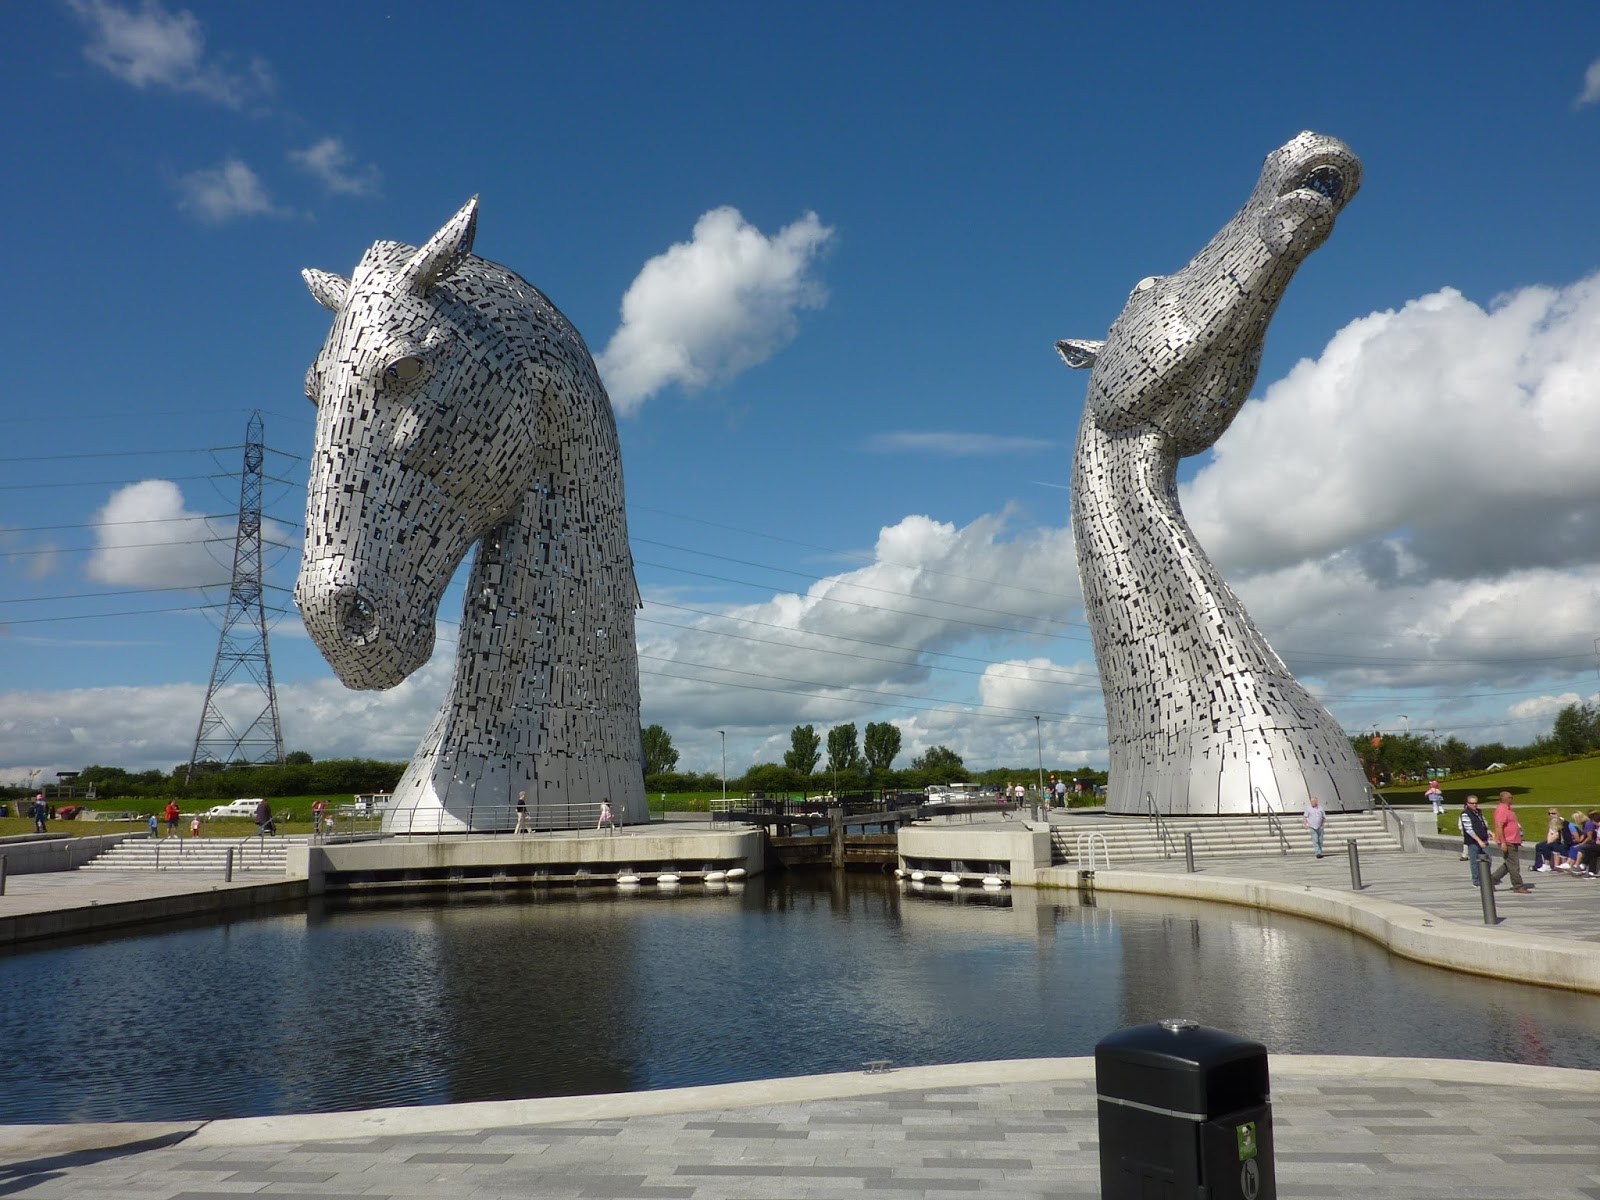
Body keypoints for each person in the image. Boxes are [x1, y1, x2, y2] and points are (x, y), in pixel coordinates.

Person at [1490, 791, 1530, 893]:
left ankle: (1491, 880)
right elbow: (1499, 826)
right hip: (1508, 841)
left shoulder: (1509, 810)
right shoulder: (1502, 810)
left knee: (1509, 864)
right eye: (1510, 797)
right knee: (1514, 865)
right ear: (1505, 799)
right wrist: (1503, 842)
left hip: (1513, 840)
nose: (1512, 799)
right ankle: (1518, 885)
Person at [1460, 794, 1492, 886]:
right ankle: (1476, 880)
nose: (1474, 805)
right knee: (1474, 862)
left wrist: (1488, 833)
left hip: (1484, 839)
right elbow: (1469, 830)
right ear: (1467, 803)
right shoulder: (1465, 814)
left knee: (1488, 858)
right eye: (1472, 803)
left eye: (1476, 803)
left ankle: (1485, 877)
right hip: (1473, 842)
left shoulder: (1479, 813)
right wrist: (1479, 841)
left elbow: (1483, 824)